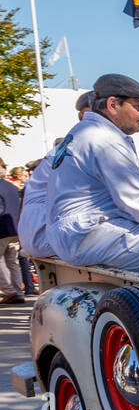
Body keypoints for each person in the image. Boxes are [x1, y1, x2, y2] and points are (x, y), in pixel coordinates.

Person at [46, 73, 139, 277]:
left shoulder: (83, 132)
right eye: (137, 106)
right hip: (85, 234)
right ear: (113, 104)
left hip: (76, 232)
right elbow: (136, 199)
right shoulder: (104, 139)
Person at [17, 91, 93, 284]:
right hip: (52, 236)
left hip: (40, 235)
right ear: (82, 116)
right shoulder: (83, 148)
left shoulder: (65, 149)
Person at [0, 169, 23, 304]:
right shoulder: (11, 186)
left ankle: (9, 291)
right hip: (15, 228)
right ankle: (18, 292)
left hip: (2, 228)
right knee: (13, 262)